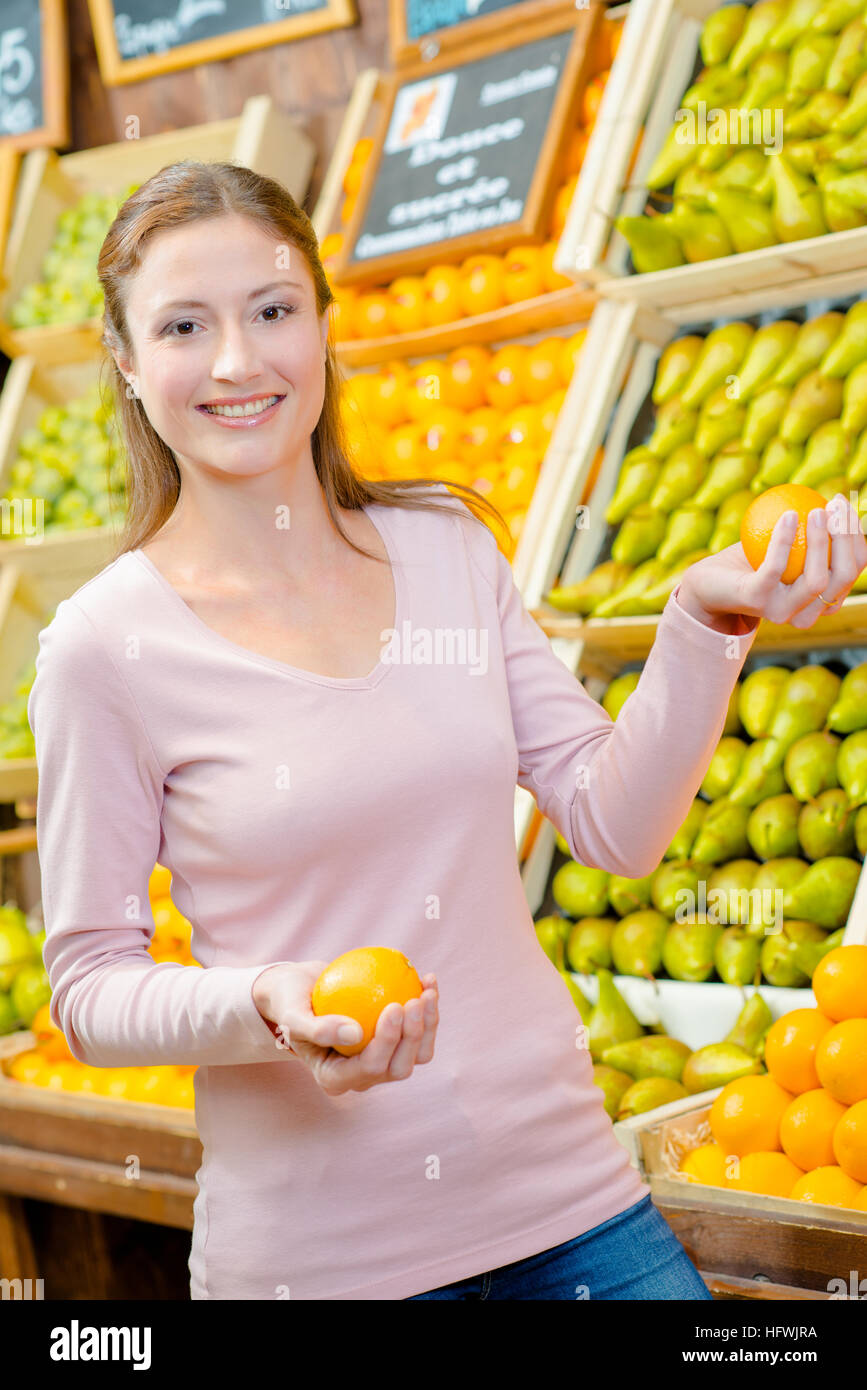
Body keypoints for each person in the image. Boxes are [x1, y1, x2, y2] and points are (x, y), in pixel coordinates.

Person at [27, 161, 867, 1302]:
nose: (237, 360)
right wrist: (264, 1001)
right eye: (185, 325)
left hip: (574, 1212)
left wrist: (703, 619)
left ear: (324, 327)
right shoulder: (102, 644)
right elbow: (88, 988)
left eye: (272, 310)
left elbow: (615, 823)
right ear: (126, 360)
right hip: (322, 1268)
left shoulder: (445, 551)